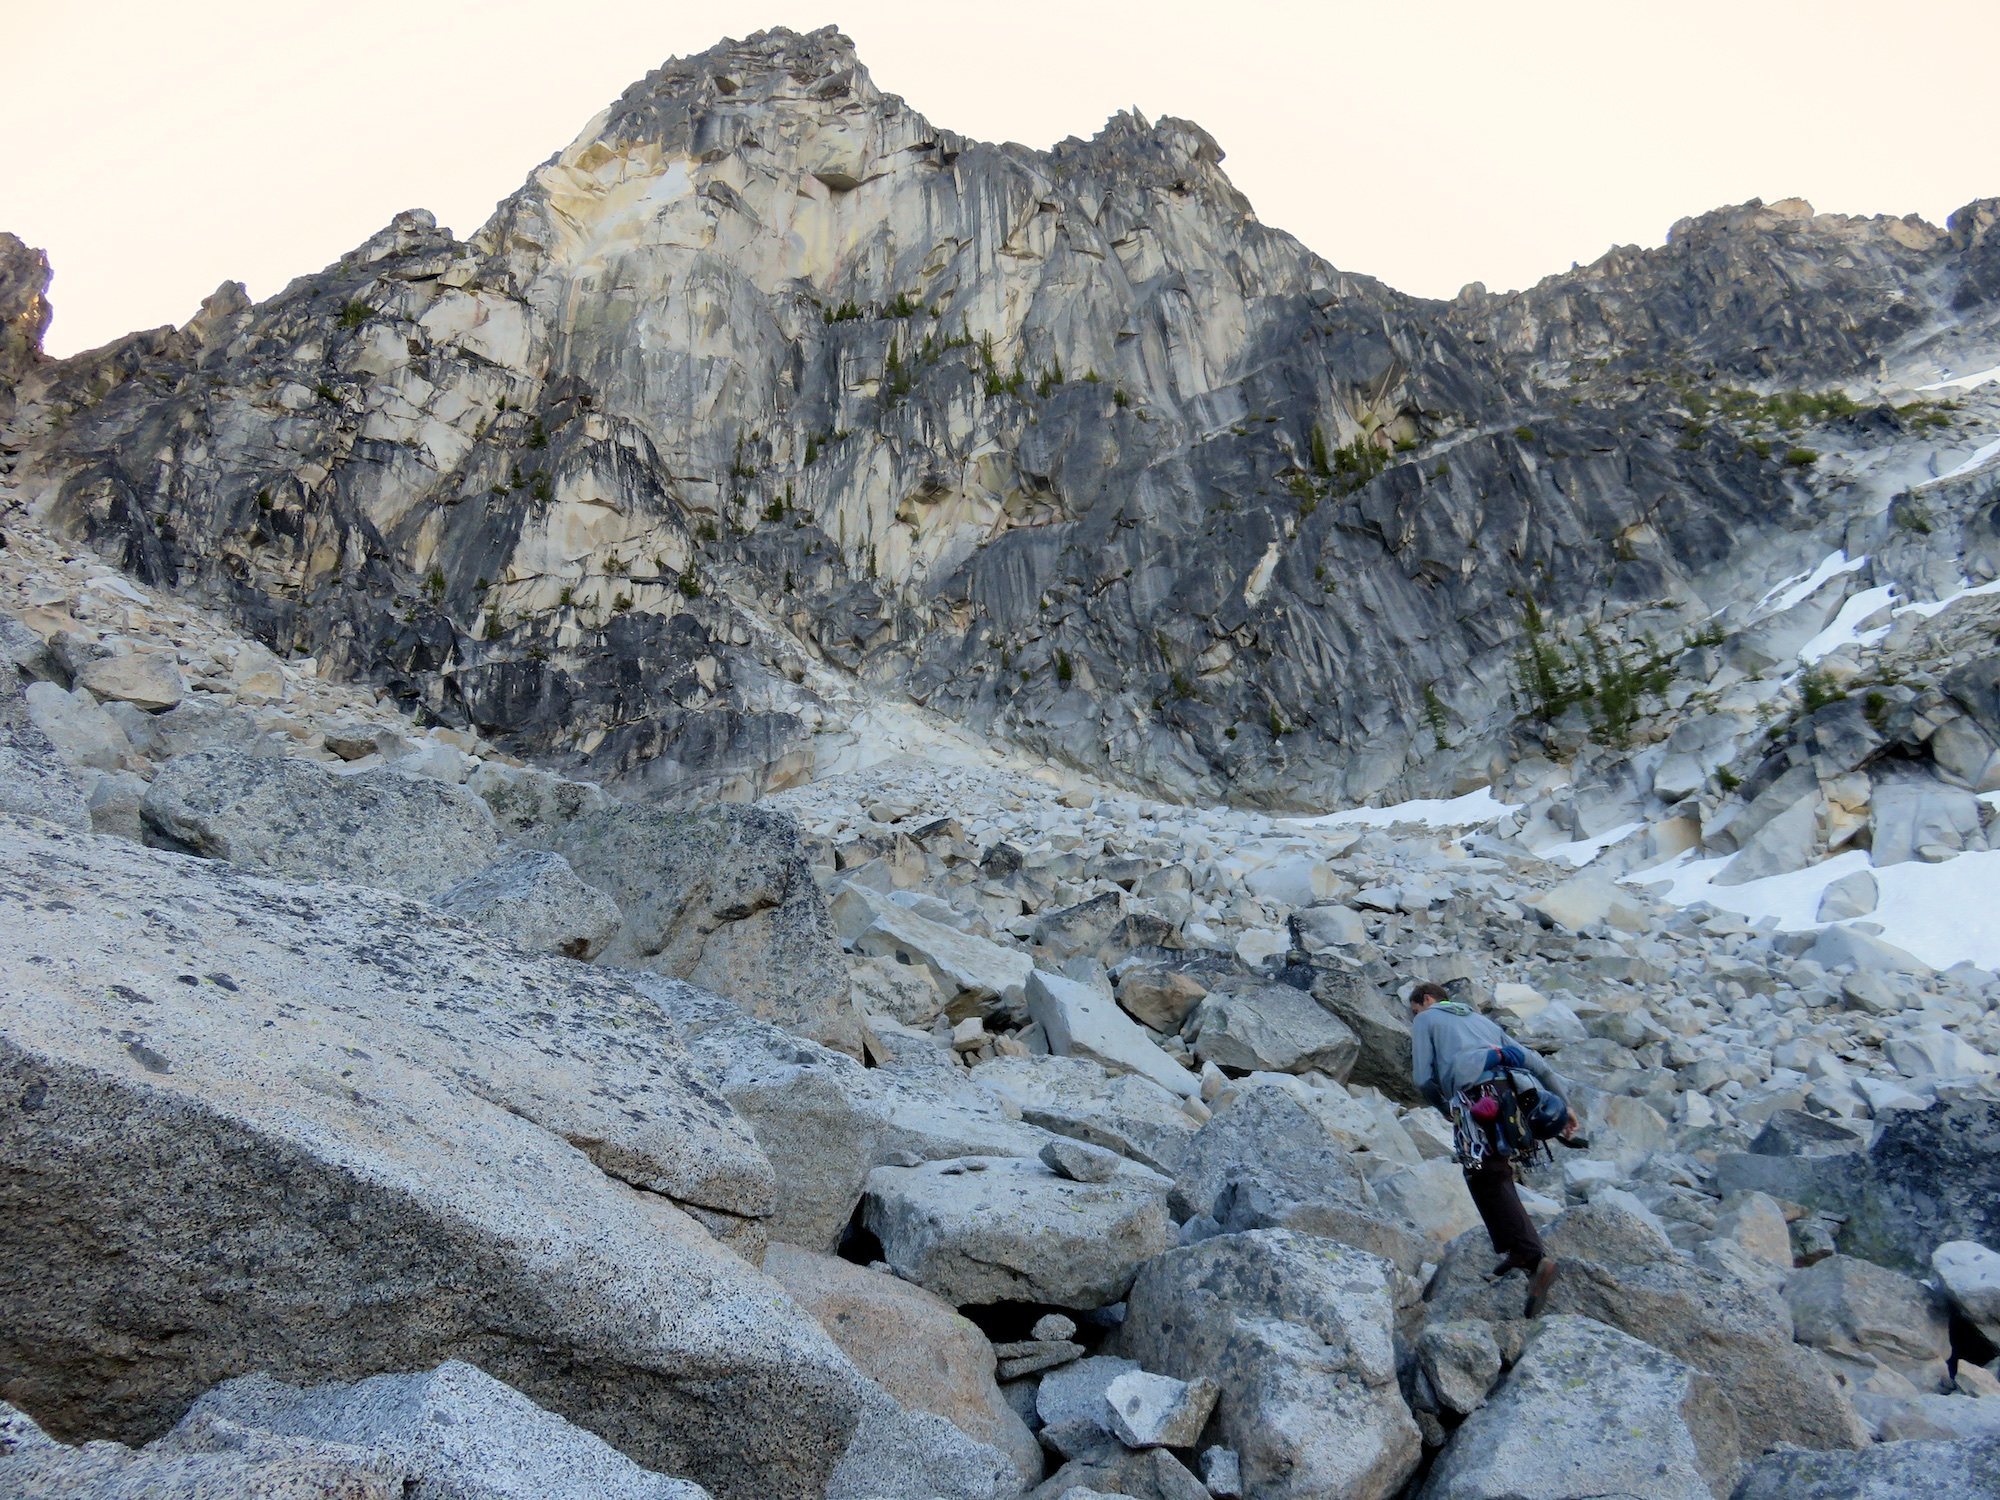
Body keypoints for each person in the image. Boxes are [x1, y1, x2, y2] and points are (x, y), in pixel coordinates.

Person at [1408, 980, 1587, 1316]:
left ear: (1427, 1000)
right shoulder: (1480, 1020)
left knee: (1485, 1172)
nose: (1414, 1017)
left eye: (1414, 1010)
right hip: (1515, 1094)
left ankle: (1534, 1258)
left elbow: (1421, 1078)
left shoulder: (1426, 1019)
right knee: (1488, 1171)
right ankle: (1519, 1252)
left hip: (1477, 1097)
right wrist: (1566, 1106)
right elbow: (1536, 1062)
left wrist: (1445, 1107)